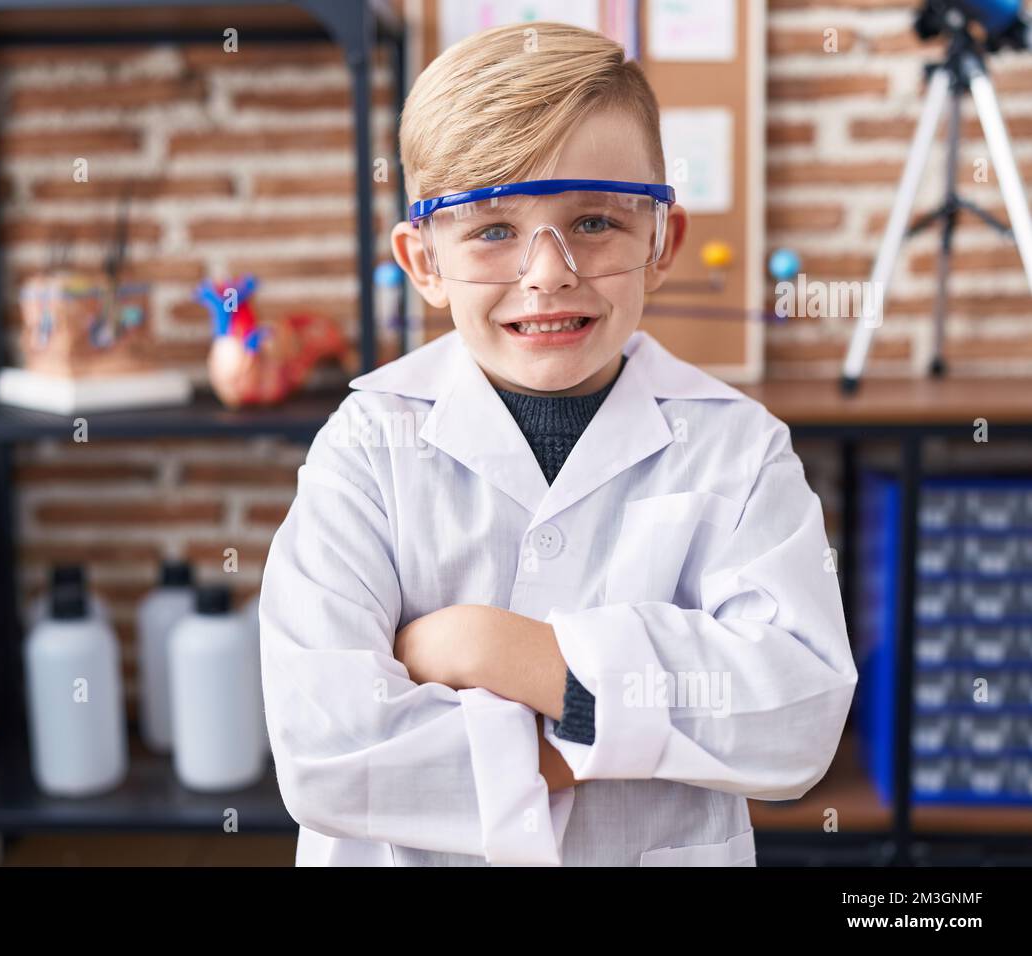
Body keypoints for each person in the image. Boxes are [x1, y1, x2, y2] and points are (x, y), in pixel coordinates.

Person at [258, 21, 858, 866]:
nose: (548, 272)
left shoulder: (740, 451)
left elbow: (796, 721)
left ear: (662, 242)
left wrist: (488, 648)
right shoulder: (365, 446)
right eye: (493, 229)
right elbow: (328, 754)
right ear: (423, 262)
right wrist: (632, 736)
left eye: (594, 222)